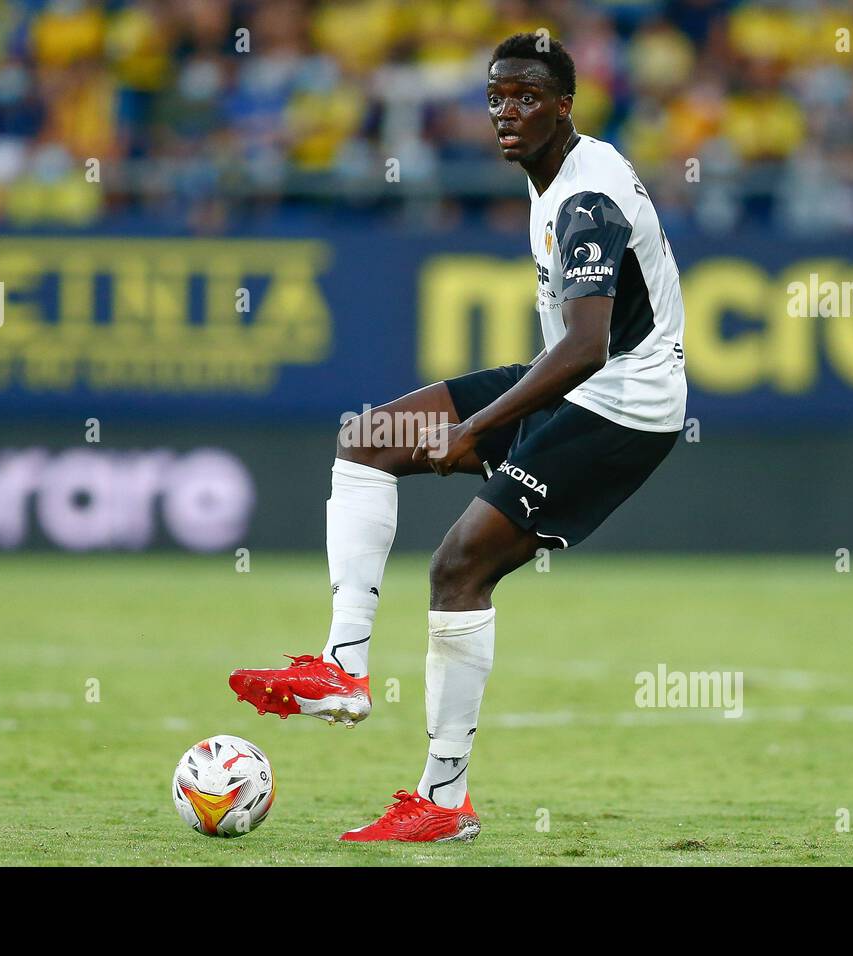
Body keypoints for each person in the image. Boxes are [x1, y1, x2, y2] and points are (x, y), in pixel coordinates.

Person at [229, 32, 687, 842]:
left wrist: (480, 426)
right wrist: (488, 421)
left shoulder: (587, 199)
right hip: (575, 382)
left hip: (623, 407)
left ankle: (442, 801)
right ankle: (342, 667)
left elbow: (588, 347)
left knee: (458, 568)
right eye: (497, 97)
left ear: (564, 108)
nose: (508, 113)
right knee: (370, 439)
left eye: (528, 98)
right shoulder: (554, 179)